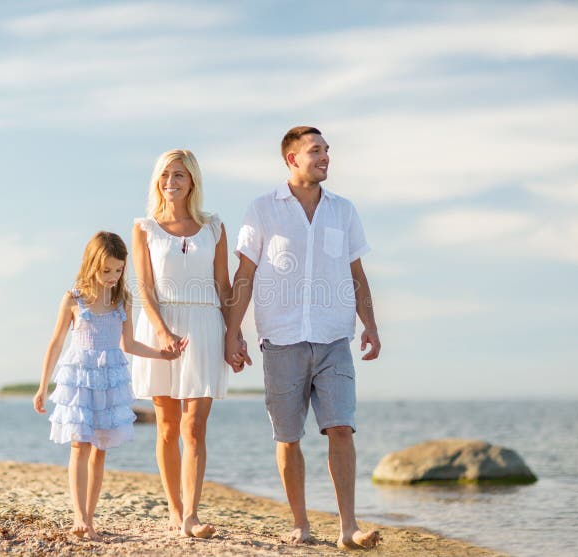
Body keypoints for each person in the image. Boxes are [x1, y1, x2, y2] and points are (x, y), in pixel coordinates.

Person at [224, 126, 382, 550]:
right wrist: (232, 331)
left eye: (327, 150)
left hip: (334, 338)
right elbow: (244, 276)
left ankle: (348, 528)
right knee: (288, 436)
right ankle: (301, 523)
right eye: (316, 151)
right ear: (292, 159)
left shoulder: (343, 211)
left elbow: (357, 276)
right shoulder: (261, 210)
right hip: (282, 339)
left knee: (342, 428)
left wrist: (370, 324)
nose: (325, 156)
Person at [131, 149, 247, 538]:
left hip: (204, 323)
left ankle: (191, 516)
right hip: (160, 325)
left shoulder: (214, 226)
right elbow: (144, 288)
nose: (171, 182)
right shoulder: (145, 227)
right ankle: (175, 508)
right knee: (166, 425)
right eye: (165, 175)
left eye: (179, 175)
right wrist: (162, 332)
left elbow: (224, 284)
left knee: (194, 426)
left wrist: (235, 332)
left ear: (192, 180)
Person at [33, 231, 180, 540]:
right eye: (106, 270)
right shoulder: (73, 298)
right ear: (91, 265)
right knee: (80, 444)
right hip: (80, 378)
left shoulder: (121, 299)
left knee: (100, 449)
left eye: (118, 270)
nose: (113, 276)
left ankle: (91, 519)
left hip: (109, 380)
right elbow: (56, 343)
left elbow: (128, 343)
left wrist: (162, 355)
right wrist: (43, 385)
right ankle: (79, 517)